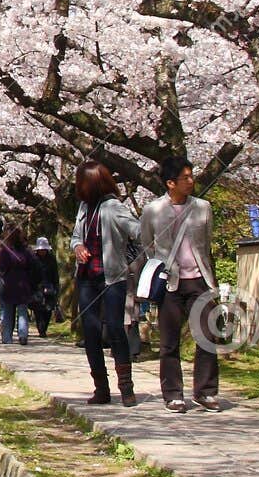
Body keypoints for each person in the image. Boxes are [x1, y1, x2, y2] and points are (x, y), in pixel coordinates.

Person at [138, 156, 222, 413]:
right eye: (185, 178)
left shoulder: (203, 207)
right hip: (170, 283)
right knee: (169, 341)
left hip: (199, 279)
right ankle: (173, 393)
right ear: (170, 183)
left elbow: (205, 243)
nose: (191, 181)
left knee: (207, 336)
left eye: (191, 176)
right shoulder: (152, 210)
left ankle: (205, 392)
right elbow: (146, 244)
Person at [71, 160, 141, 406]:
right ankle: (101, 388)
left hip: (112, 277)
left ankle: (126, 388)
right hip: (86, 277)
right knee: (90, 333)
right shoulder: (83, 208)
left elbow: (138, 232)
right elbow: (75, 237)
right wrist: (78, 247)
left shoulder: (114, 207)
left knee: (114, 329)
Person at [0, 226, 38, 344]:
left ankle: (7, 337)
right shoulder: (26, 251)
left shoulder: (6, 251)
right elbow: (32, 265)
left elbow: (2, 267)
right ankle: (23, 335)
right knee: (22, 311)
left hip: (9, 283)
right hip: (23, 283)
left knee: (9, 311)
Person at [29, 236, 60, 337]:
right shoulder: (33, 259)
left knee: (48, 309)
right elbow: (31, 274)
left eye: (44, 249)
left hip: (49, 286)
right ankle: (41, 329)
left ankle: (44, 328)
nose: (42, 251)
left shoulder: (51, 259)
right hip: (37, 287)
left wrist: (56, 286)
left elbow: (55, 274)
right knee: (38, 309)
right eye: (41, 249)